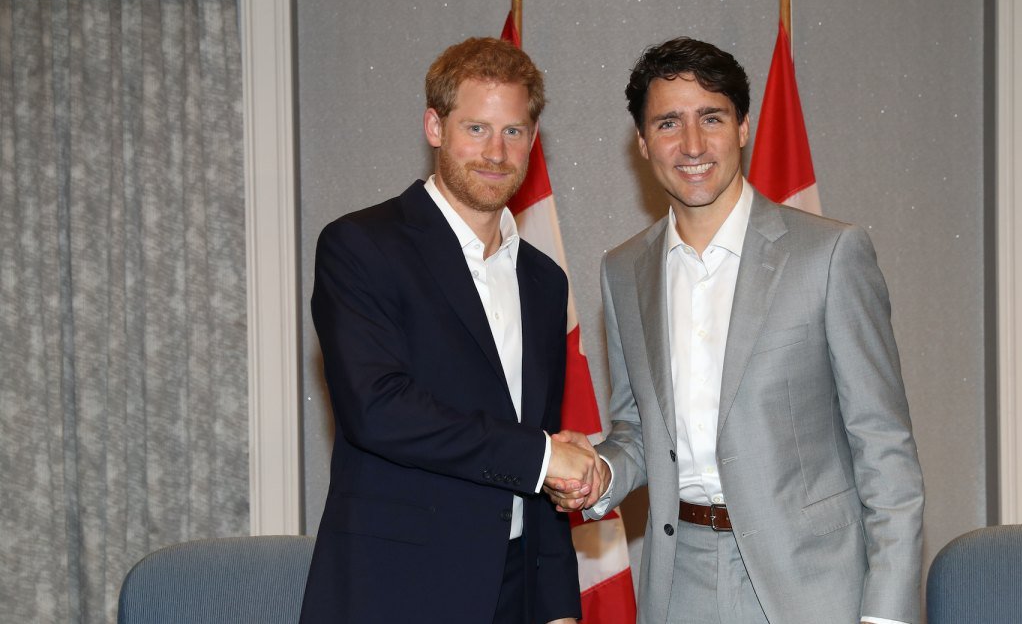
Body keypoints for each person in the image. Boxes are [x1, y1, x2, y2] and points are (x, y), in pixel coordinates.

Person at [546, 37, 924, 624]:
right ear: (642, 143)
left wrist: (885, 616)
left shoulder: (829, 254)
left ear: (743, 127)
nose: (692, 145)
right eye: (669, 123)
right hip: (679, 583)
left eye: (712, 118)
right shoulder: (622, 271)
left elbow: (886, 452)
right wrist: (601, 473)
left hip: (811, 585)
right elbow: (640, 430)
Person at [299, 37, 596, 624]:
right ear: (435, 127)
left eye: (514, 131)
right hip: (399, 591)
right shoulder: (361, 246)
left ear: (533, 141)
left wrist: (559, 604)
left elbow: (539, 444)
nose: (496, 151)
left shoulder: (544, 281)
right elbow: (378, 409)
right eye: (476, 128)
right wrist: (541, 456)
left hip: (519, 591)